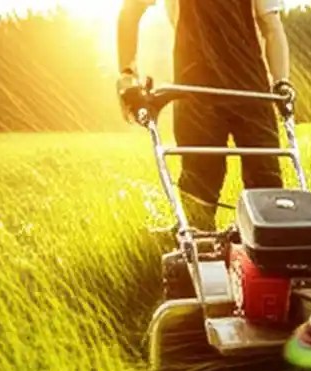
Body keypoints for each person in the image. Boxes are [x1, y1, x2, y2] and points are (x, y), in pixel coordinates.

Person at [117, 0, 294, 231]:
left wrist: (281, 83)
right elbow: (132, 9)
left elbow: (271, 26)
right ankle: (199, 251)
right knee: (199, 194)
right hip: (197, 91)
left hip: (252, 91)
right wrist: (127, 73)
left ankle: (265, 254)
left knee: (267, 191)